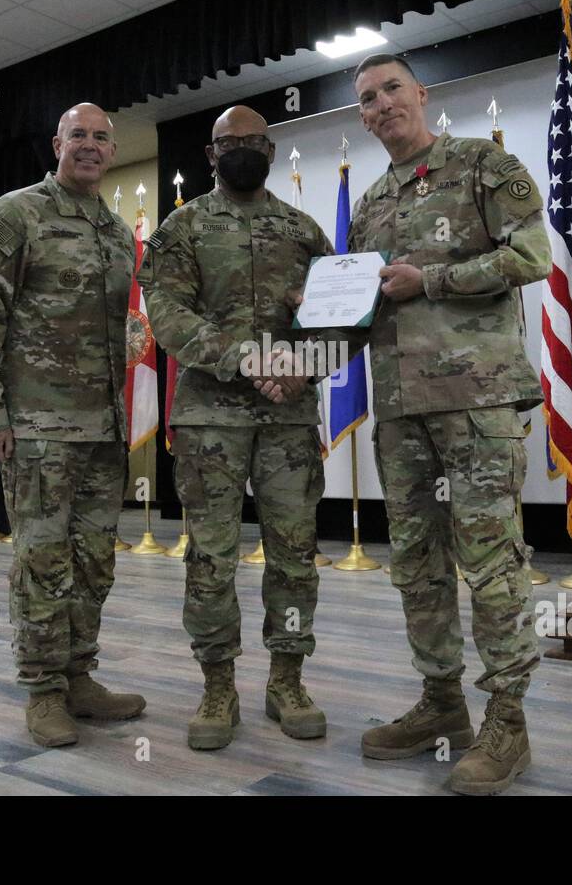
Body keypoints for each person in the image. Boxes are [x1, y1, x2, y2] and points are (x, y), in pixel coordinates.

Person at [302, 54, 549, 794]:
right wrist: (294, 350)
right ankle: (443, 703)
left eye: (391, 91)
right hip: (400, 410)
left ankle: (508, 720)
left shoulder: (481, 165)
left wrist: (434, 278)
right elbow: (361, 306)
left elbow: (533, 254)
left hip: (477, 404)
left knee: (491, 560)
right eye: (367, 100)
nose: (380, 105)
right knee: (416, 563)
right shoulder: (373, 200)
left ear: (422, 94)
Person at [138, 105, 335, 751]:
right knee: (211, 557)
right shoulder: (183, 227)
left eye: (253, 142)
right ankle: (217, 683)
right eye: (230, 143)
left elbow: (346, 311)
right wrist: (247, 358)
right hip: (209, 421)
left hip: (288, 418)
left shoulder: (303, 230)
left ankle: (287, 679)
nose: (242, 150)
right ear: (210, 153)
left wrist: (303, 366)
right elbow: (165, 312)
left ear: (271, 151)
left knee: (294, 553)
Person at [0, 102, 146, 748]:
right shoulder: (17, 214)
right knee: (42, 561)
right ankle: (41, 690)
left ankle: (79, 677)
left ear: (111, 151)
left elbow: (124, 326)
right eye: (78, 135)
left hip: (104, 432)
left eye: (100, 138)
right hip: (36, 430)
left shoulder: (117, 233)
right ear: (56, 141)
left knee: (93, 562)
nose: (89, 146)